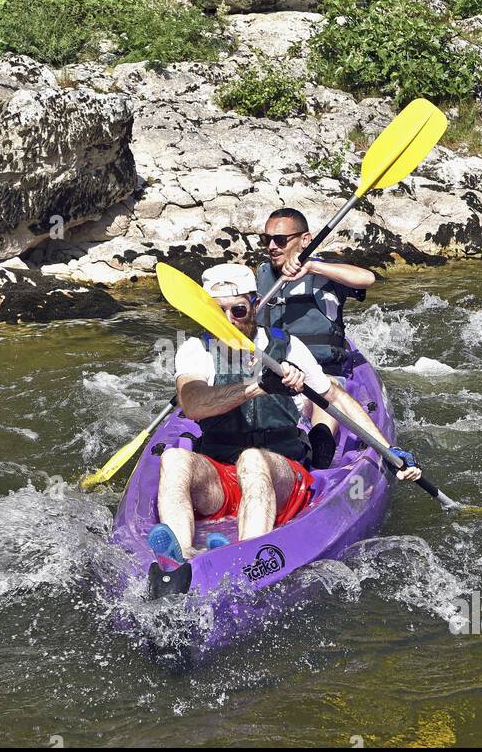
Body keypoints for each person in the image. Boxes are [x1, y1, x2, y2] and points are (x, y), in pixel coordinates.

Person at [148, 262, 421, 568]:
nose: (228, 321)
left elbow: (335, 397)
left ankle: (245, 560)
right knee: (174, 459)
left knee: (253, 458)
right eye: (217, 311)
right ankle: (178, 560)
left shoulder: (286, 347)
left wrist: (386, 448)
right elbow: (194, 404)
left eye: (238, 310)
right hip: (221, 475)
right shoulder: (195, 349)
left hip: (282, 474)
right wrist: (258, 386)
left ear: (254, 304)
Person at [255, 208, 377, 468]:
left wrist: (312, 267)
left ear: (305, 239)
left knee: (323, 389)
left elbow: (367, 278)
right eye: (267, 240)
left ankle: (321, 440)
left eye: (280, 239)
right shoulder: (262, 275)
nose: (272, 246)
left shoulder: (325, 273)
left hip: (323, 368)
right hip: (277, 367)